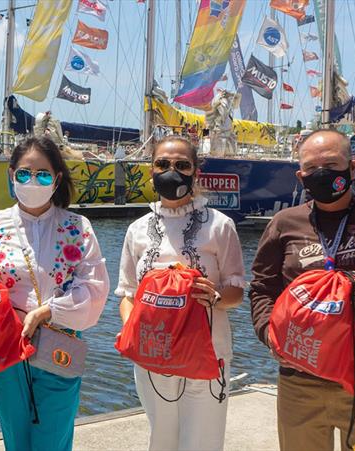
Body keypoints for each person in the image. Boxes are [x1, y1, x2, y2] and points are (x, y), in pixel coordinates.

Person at [250, 129, 355, 451]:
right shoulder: (284, 223)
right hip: (300, 384)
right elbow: (263, 288)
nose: (322, 173)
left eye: (331, 165)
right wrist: (268, 333)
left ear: (352, 168)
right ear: (301, 177)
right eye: (312, 168)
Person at [0, 136, 109, 451]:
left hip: (60, 340)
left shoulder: (77, 227)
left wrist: (48, 311)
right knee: (16, 438)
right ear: (11, 175)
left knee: (54, 437)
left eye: (42, 175)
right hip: (6, 348)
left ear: (57, 178)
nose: (32, 181)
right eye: (24, 174)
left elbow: (95, 288)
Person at [116, 136, 246, 451]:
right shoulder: (137, 229)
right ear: (151, 170)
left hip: (208, 352)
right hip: (153, 352)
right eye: (162, 164)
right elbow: (128, 294)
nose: (171, 171)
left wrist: (215, 295)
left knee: (202, 442)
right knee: (161, 439)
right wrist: (134, 328)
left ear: (195, 172)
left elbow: (237, 291)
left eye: (181, 165)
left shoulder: (220, 226)